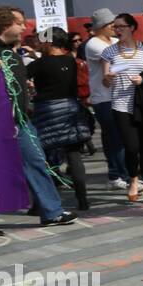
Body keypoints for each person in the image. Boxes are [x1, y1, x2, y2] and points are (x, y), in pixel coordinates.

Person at [0, 7, 76, 225]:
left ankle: (52, 211)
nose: (24, 27)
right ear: (6, 24)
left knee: (36, 162)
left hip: (20, 120)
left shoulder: (10, 51)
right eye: (20, 23)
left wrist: (26, 89)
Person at [28, 27, 92, 211]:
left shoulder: (39, 64)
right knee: (74, 154)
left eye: (41, 41)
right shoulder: (71, 61)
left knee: (44, 159)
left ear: (49, 42)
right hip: (71, 110)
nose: (38, 44)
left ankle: (39, 204)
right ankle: (83, 199)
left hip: (47, 112)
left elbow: (21, 76)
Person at [101, 13, 143, 204]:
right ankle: (134, 180)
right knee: (131, 146)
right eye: (115, 27)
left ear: (132, 28)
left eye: (121, 26)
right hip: (121, 104)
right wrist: (108, 78)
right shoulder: (109, 52)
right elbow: (105, 81)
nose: (117, 30)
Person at [83, 8, 128, 189]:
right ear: (101, 26)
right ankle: (123, 175)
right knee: (116, 137)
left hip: (121, 95)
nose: (114, 27)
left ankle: (115, 175)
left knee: (115, 138)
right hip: (104, 98)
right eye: (111, 24)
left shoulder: (115, 40)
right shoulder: (93, 44)